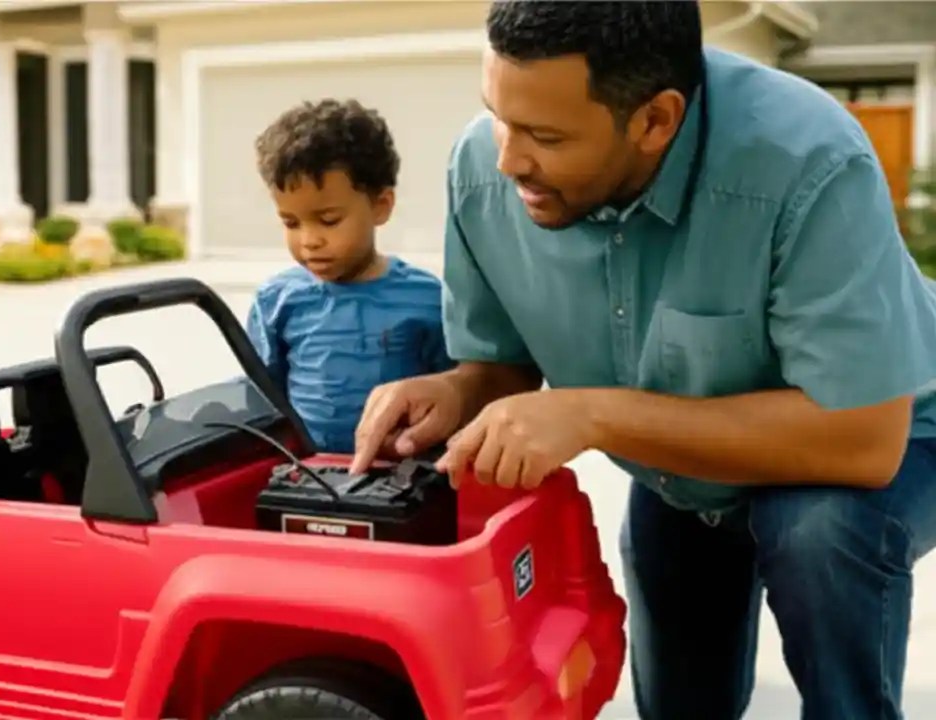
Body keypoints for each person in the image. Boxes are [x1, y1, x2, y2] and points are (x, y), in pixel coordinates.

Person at [349, 1, 936, 718]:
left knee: (815, 532)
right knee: (680, 703)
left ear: (656, 121)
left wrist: (593, 413)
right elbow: (503, 368)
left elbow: (862, 439)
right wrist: (456, 389)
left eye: (545, 135)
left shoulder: (808, 162)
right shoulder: (483, 168)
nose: (507, 159)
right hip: (682, 467)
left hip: (892, 430)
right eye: (498, 115)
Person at [244, 98, 454, 454]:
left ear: (380, 206)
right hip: (308, 481)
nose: (309, 240)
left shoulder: (426, 298)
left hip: (405, 483)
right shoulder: (276, 301)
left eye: (328, 220)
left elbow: (457, 395)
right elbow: (261, 401)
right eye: (291, 223)